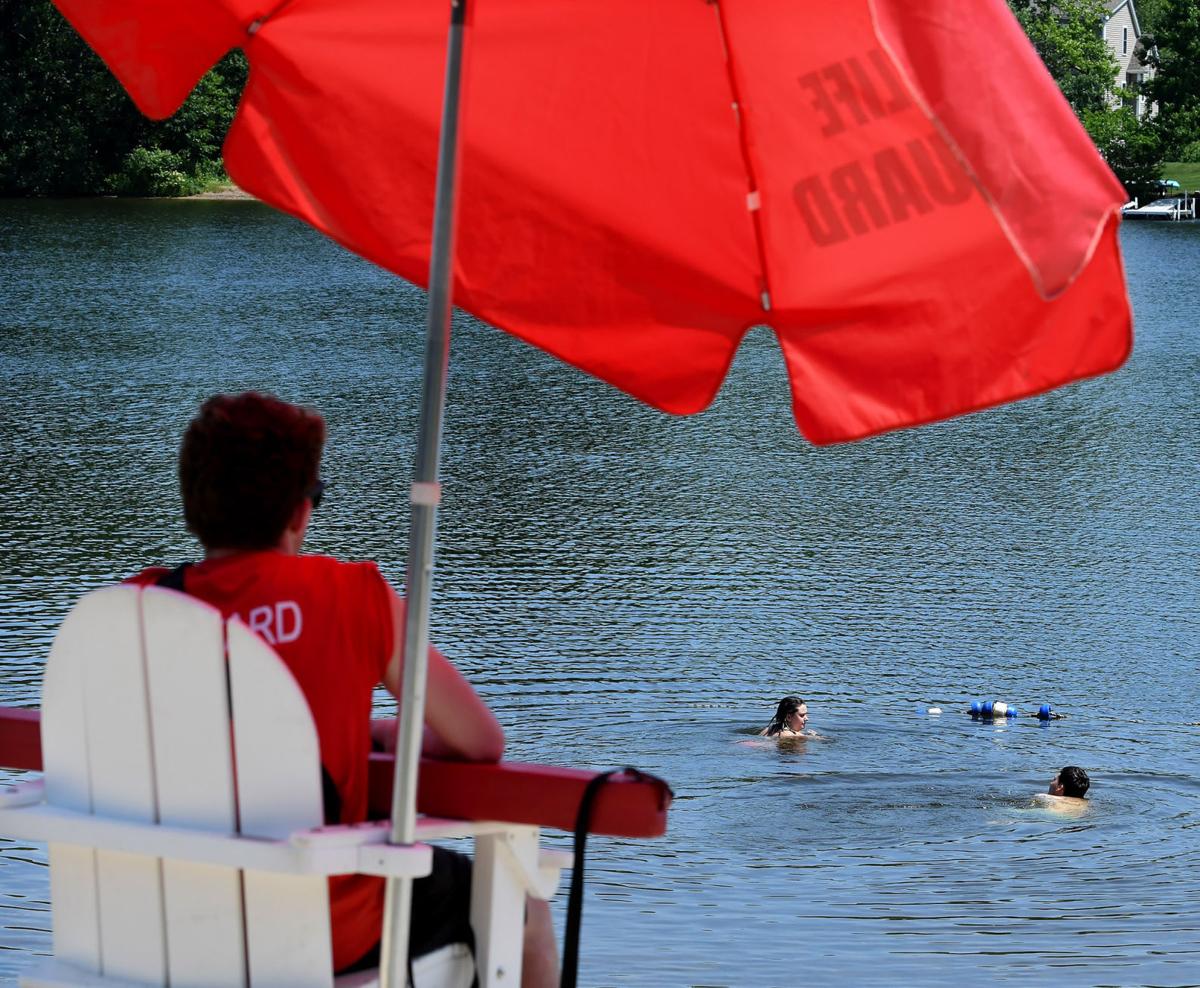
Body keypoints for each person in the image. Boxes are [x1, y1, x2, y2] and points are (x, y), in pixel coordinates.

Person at [126, 392, 557, 985]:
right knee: (522, 906)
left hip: (172, 928)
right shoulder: (352, 595)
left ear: (193, 502)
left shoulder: (136, 609)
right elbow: (481, 742)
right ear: (300, 512)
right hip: (326, 930)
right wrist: (385, 734)